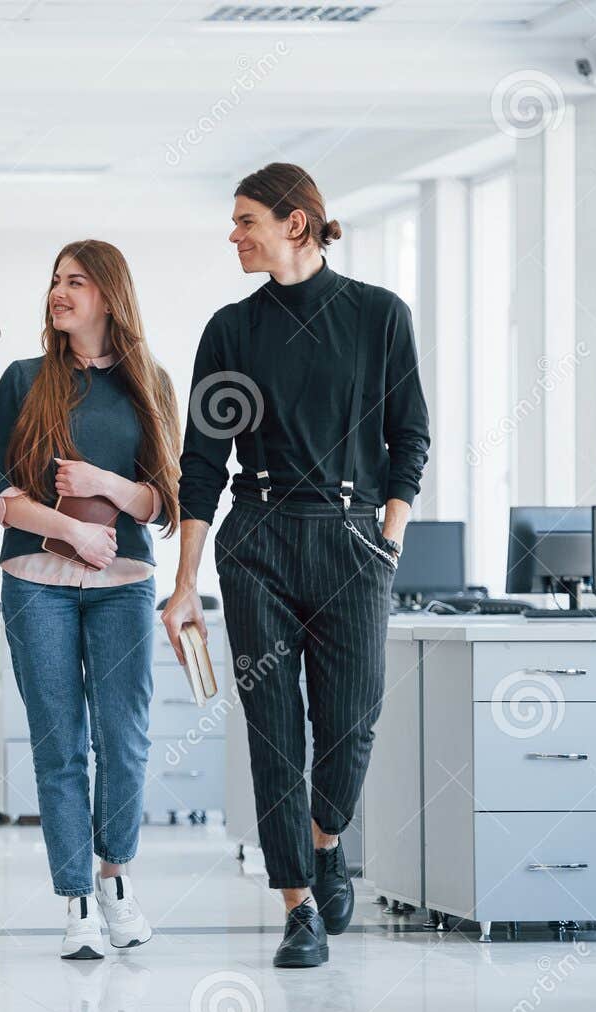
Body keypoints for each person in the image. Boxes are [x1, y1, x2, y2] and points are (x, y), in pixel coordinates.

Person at [161, 162, 430, 969]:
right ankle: (298, 906)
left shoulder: (379, 317)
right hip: (260, 544)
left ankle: (325, 838)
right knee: (273, 732)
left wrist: (390, 538)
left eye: (247, 221)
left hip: (352, 540)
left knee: (350, 724)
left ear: (297, 225)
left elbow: (409, 437)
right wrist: (184, 585)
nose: (234, 235)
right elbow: (202, 465)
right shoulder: (231, 330)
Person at [0, 240, 179, 959]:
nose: (60, 293)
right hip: (37, 581)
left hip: (123, 585)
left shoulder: (148, 381)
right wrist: (69, 528)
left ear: (109, 296)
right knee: (58, 743)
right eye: (55, 281)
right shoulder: (25, 379)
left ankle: (115, 877)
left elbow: (165, 500)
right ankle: (76, 901)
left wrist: (104, 486)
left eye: (76, 282)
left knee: (123, 740)